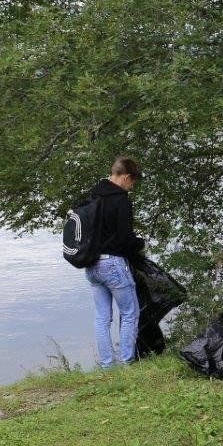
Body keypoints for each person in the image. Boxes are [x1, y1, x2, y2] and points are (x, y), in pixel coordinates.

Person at [84, 156, 146, 368]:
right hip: (113, 264)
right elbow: (124, 239)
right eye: (132, 183)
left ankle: (107, 365)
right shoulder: (121, 201)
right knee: (130, 313)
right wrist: (139, 244)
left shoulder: (92, 197)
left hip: (91, 264)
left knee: (102, 318)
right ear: (126, 177)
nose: (131, 188)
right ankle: (128, 363)